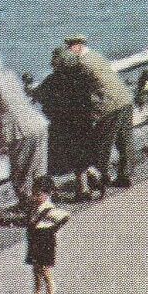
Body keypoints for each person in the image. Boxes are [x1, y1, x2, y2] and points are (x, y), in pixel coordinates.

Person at [63, 35, 136, 189]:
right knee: (124, 141)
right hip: (125, 98)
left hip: (109, 105)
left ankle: (100, 178)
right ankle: (125, 176)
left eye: (70, 47)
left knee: (102, 143)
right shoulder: (95, 55)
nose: (68, 50)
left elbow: (77, 87)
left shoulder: (81, 63)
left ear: (78, 46)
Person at [33, 46, 99, 200]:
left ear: (59, 63)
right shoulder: (81, 74)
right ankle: (90, 179)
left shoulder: (54, 80)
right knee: (82, 153)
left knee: (53, 155)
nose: (52, 65)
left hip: (65, 123)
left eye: (54, 62)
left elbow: (39, 94)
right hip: (84, 119)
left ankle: (63, 190)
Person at [0, 52, 49, 214]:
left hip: (20, 131)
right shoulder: (9, 75)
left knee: (20, 174)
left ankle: (30, 210)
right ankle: (43, 203)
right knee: (38, 170)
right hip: (37, 124)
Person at [22, 177, 69, 294]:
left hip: (44, 241)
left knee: (45, 271)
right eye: (34, 193)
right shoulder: (36, 206)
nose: (35, 196)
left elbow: (65, 216)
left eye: (38, 194)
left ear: (47, 194)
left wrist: (52, 229)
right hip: (35, 240)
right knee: (36, 268)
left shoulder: (48, 209)